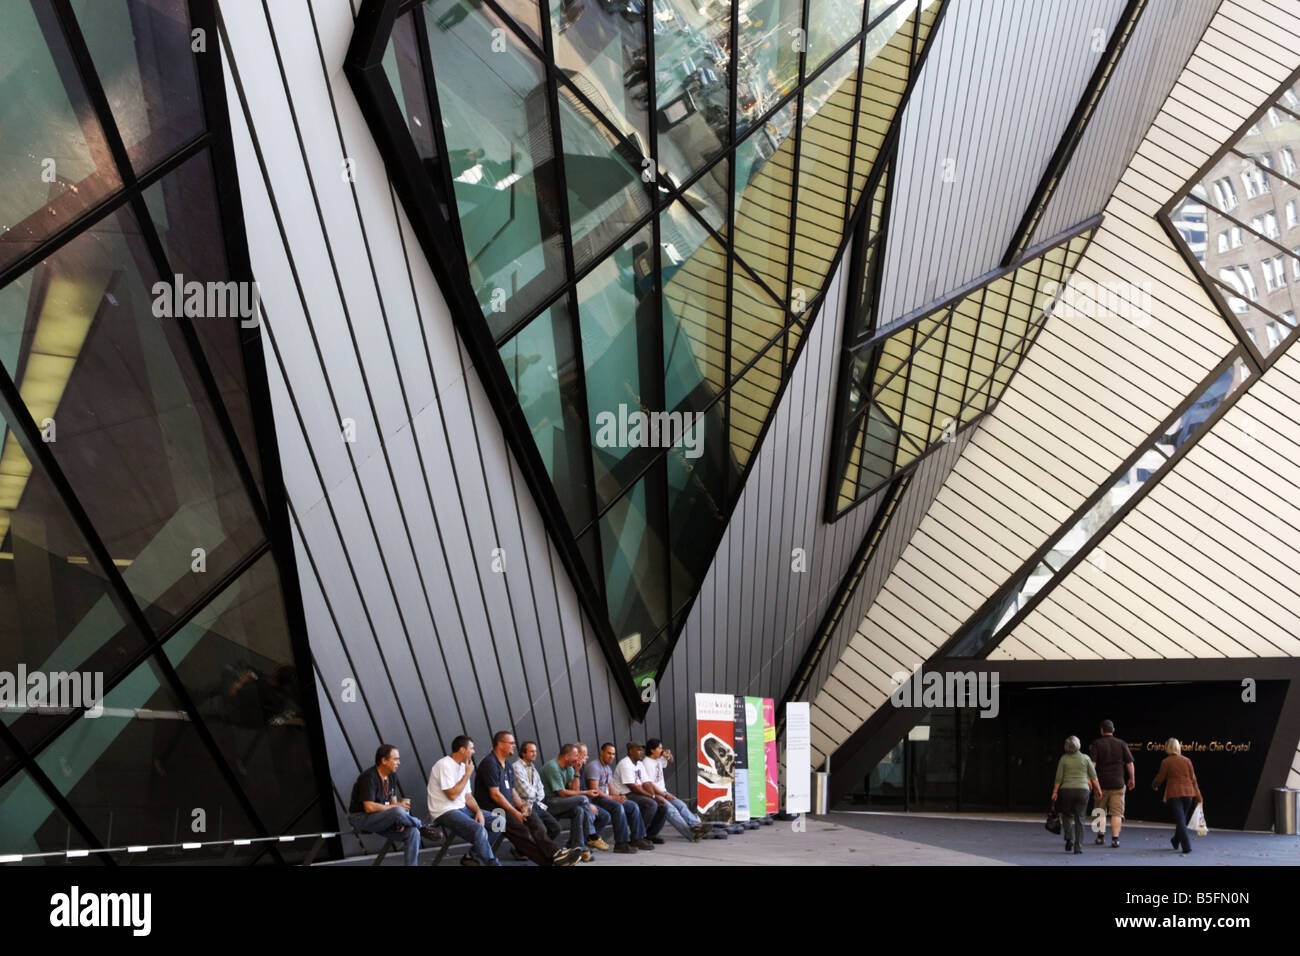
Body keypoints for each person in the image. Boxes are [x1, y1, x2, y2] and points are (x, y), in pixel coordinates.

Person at [474, 730, 582, 866]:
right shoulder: (490, 763)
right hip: (492, 809)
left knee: (534, 820)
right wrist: (515, 812)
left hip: (507, 806)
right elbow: (495, 794)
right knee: (522, 831)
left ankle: (556, 854)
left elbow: (511, 790)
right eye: (511, 743)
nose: (514, 746)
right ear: (501, 744)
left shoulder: (506, 764)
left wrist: (522, 806)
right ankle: (550, 862)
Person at [348, 744, 432, 866]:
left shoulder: (392, 776)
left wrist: (401, 820)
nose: (399, 762)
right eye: (396, 759)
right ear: (384, 760)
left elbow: (393, 802)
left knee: (413, 832)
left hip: (381, 817)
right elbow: (369, 807)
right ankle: (422, 825)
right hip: (360, 817)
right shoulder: (369, 777)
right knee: (397, 811)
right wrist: (396, 810)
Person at [426, 735, 501, 866]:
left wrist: (478, 812)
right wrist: (467, 774)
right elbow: (452, 795)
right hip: (444, 811)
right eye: (471, 748)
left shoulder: (463, 766)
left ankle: (473, 856)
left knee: (499, 821)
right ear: (462, 750)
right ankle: (492, 863)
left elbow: (468, 796)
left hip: (463, 809)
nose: (474, 752)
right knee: (478, 830)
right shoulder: (444, 764)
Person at [538, 744, 609, 859]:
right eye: (576, 755)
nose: (578, 758)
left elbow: (574, 790)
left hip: (559, 801)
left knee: (578, 811)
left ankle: (577, 848)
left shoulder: (570, 767)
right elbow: (563, 793)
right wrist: (586, 794)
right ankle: (592, 835)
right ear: (567, 756)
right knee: (583, 799)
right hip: (547, 803)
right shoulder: (553, 767)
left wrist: (577, 771)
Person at [586, 742, 650, 853]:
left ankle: (636, 838)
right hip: (595, 799)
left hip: (606, 798)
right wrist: (613, 799)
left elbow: (611, 788)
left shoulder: (608, 768)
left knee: (632, 805)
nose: (611, 756)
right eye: (608, 753)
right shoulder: (594, 766)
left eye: (613, 754)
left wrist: (618, 797)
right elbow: (595, 791)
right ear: (601, 753)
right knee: (617, 807)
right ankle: (621, 843)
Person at [641, 739, 706, 841]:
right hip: (654, 793)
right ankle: (691, 834)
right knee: (672, 811)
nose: (661, 750)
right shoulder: (646, 763)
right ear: (652, 750)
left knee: (681, 805)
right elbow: (650, 784)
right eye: (659, 748)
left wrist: (669, 756)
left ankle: (698, 827)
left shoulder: (657, 759)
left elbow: (670, 761)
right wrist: (664, 795)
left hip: (663, 791)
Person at [1152, 738, 1204, 855]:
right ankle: (1175, 841)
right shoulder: (1187, 761)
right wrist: (1198, 796)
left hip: (1174, 794)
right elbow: (1193, 780)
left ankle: (1187, 846)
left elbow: (1160, 777)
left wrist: (1154, 785)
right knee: (1182, 819)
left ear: (1168, 747)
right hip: (1188, 795)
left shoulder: (1166, 762)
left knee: (1180, 820)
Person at [1051, 735, 1101, 855]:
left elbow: (1059, 777)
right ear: (1078, 745)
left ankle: (1069, 838)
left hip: (1066, 790)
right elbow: (1093, 776)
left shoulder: (1063, 759)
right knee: (1080, 818)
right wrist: (1098, 789)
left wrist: (1055, 791)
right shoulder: (1085, 758)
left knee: (1067, 816)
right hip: (1082, 791)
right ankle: (1078, 847)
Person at [1089, 719, 1135, 847]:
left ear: (1101, 731)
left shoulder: (1097, 744)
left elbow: (1092, 765)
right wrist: (1132, 779)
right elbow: (1130, 763)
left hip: (1101, 784)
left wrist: (1091, 780)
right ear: (1113, 730)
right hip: (1118, 784)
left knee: (1100, 811)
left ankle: (1100, 837)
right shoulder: (1122, 744)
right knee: (1117, 813)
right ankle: (1115, 839)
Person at [614, 741, 667, 843]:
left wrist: (654, 795)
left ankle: (650, 835)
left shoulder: (639, 764)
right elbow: (633, 787)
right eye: (638, 750)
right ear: (630, 751)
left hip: (636, 793)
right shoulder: (625, 763)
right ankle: (637, 837)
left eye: (641, 749)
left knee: (663, 806)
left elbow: (647, 783)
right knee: (651, 804)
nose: (641, 752)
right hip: (625, 794)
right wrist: (652, 797)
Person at [514, 741, 563, 840]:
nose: (534, 754)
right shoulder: (516, 767)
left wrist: (536, 795)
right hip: (524, 805)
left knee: (556, 828)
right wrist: (536, 795)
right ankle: (541, 851)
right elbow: (526, 792)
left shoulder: (533, 768)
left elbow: (541, 789)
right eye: (531, 751)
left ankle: (528, 850)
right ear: (523, 753)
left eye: (535, 751)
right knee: (542, 830)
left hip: (536, 804)